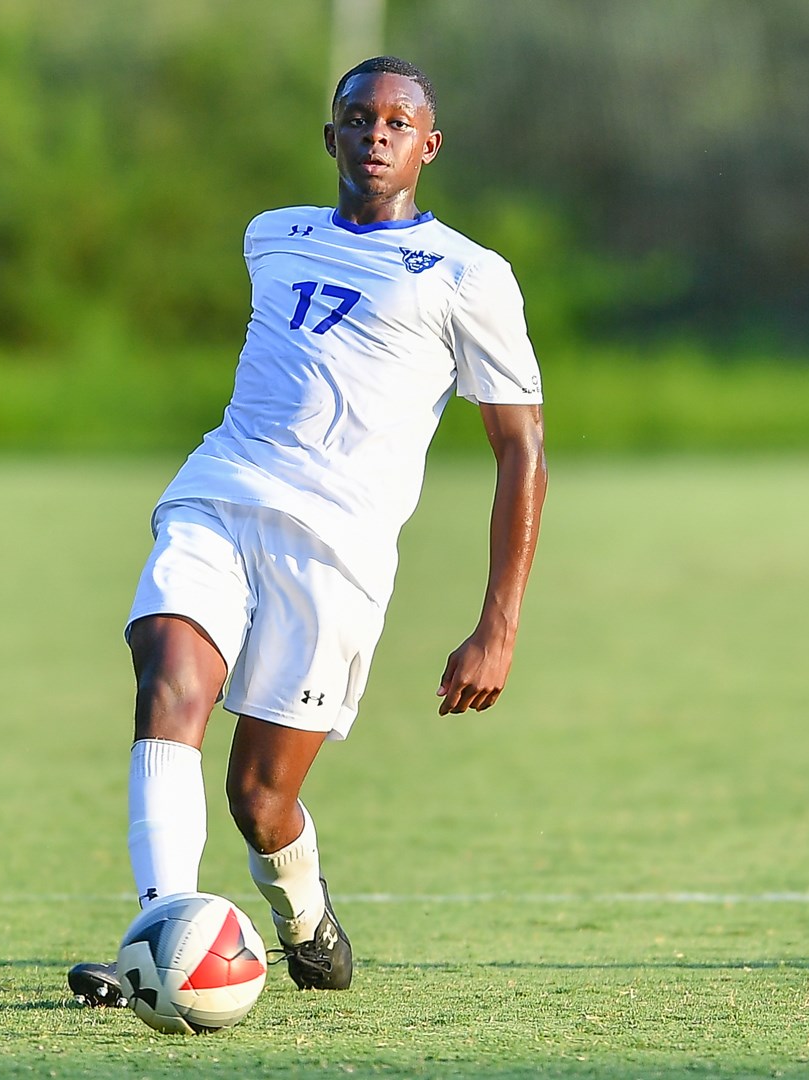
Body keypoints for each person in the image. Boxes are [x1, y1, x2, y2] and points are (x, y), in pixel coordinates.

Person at [69, 55, 546, 1005]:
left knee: (260, 797)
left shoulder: (469, 275)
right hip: (220, 492)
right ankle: (164, 928)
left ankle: (304, 914)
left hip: (336, 549)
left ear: (428, 146)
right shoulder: (272, 236)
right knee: (167, 680)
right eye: (357, 118)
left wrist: (499, 623)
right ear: (329, 137)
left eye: (397, 123)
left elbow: (520, 448)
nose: (376, 133)